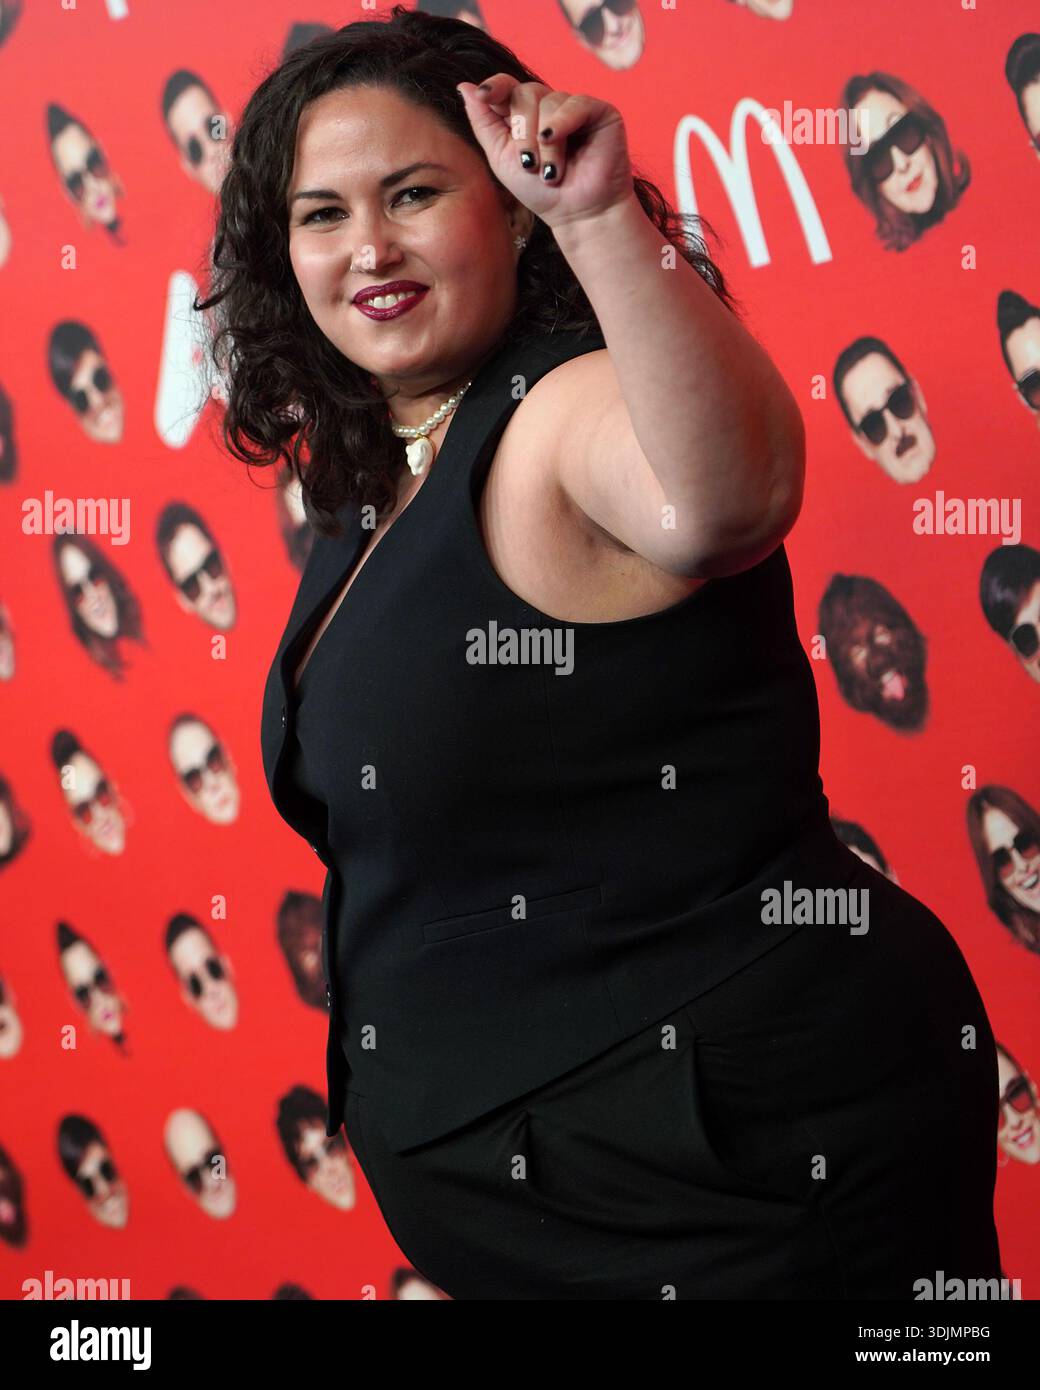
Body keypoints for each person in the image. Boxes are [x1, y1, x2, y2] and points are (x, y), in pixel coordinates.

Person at [204, 8, 1001, 1299]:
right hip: (581, 1210)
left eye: (414, 194)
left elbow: (726, 500)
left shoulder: (563, 408)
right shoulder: (378, 479)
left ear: (512, 208)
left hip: (746, 1181)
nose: (371, 249)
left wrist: (597, 218)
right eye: (322, 215)